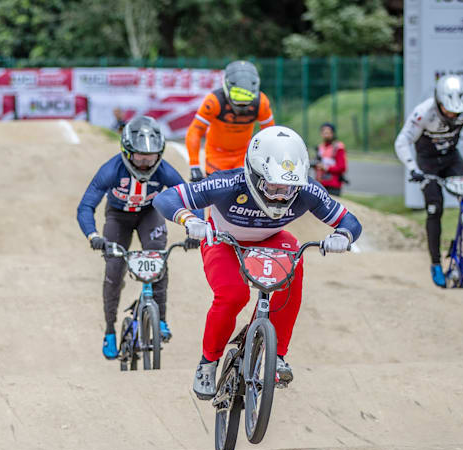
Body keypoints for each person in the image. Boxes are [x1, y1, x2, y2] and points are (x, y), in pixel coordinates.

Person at [153, 126, 362, 399]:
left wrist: (342, 235)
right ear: (254, 174)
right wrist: (189, 219)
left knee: (292, 274)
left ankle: (278, 356)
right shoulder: (227, 184)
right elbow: (165, 198)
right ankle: (208, 362)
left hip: (272, 239)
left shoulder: (308, 190)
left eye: (289, 188)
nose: (280, 195)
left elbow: (350, 221)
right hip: (224, 239)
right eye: (273, 186)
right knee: (233, 295)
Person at [76, 116, 185, 359]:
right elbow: (85, 206)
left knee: (158, 261)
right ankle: (110, 331)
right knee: (114, 272)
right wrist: (92, 235)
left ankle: (162, 321)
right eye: (140, 157)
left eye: (152, 156)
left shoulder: (165, 170)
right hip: (118, 217)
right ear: (126, 152)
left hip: (149, 213)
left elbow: (190, 196)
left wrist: (194, 228)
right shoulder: (110, 170)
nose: (146, 163)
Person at [394, 75, 463, 288]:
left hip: (452, 159)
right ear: (439, 101)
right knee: (435, 209)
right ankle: (435, 263)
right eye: (448, 110)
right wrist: (414, 169)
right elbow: (402, 141)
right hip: (428, 164)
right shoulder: (423, 113)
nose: (453, 114)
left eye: (456, 111)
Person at [184, 60, 275, 180]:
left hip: (244, 155)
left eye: (246, 103)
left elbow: (270, 135)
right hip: (217, 155)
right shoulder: (213, 101)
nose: (241, 109)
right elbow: (195, 131)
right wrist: (194, 164)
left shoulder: (261, 102)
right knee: (216, 196)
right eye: (237, 103)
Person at [314, 122, 347, 196]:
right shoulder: (320, 147)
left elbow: (342, 167)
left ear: (333, 133)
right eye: (324, 133)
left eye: (328, 133)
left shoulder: (338, 147)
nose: (326, 135)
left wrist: (325, 168)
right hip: (320, 184)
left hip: (333, 185)